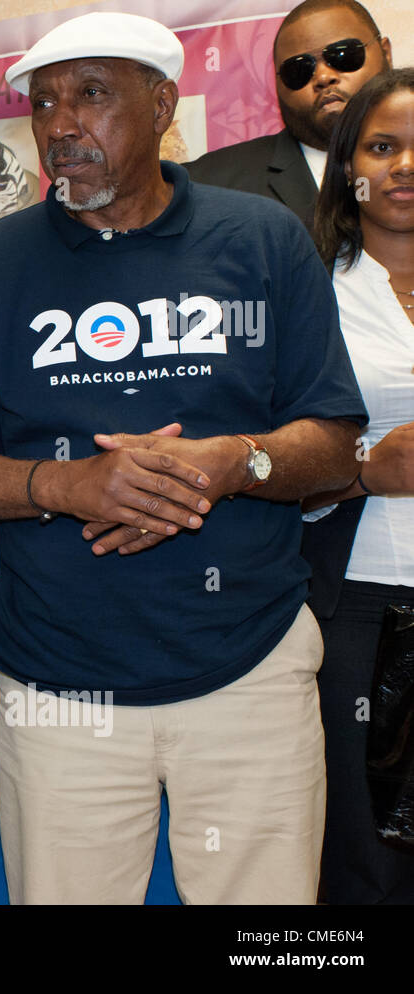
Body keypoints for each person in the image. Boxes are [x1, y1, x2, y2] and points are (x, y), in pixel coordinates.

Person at [0, 11, 368, 904]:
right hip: (57, 690)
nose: (61, 122)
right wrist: (64, 485)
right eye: (44, 103)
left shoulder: (263, 242)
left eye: (93, 94)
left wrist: (234, 463)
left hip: (250, 670)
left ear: (162, 106)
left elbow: (336, 446)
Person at [301, 68, 414, 903]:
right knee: (368, 860)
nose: (406, 165)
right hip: (364, 603)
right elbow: (265, 462)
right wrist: (368, 472)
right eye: (384, 146)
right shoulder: (308, 291)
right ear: (350, 168)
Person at [186, 0, 392, 228]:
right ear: (277, 85)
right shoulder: (205, 185)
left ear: (385, 52)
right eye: (299, 70)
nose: (323, 77)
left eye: (343, 55)